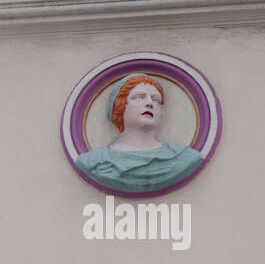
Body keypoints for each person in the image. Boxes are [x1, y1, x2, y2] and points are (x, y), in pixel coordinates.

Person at [75, 74, 203, 193]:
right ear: (120, 105)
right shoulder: (95, 161)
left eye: (156, 100)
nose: (149, 103)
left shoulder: (183, 157)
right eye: (139, 97)